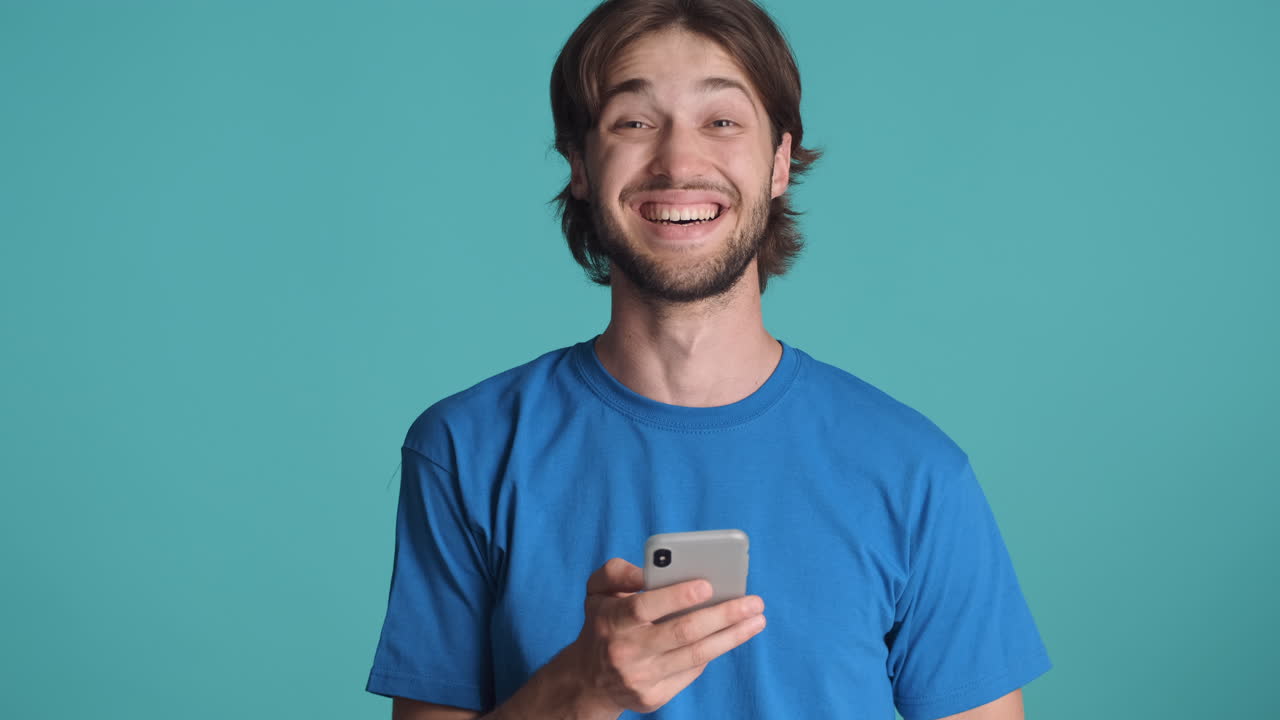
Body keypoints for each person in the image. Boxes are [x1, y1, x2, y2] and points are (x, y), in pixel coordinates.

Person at [365, 0, 1052, 718]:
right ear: (579, 163)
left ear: (781, 162)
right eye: (632, 122)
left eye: (722, 122)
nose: (679, 162)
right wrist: (580, 690)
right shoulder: (466, 450)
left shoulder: (918, 474)